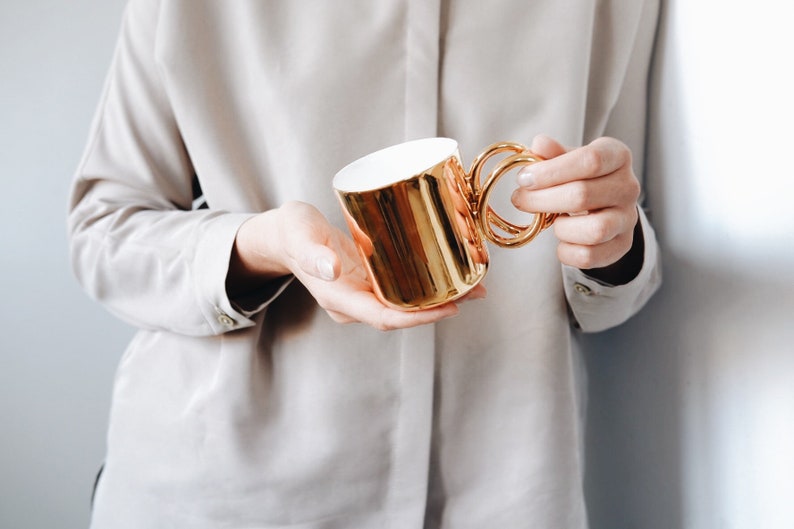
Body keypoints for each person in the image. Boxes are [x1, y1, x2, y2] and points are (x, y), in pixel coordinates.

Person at [69, 1, 662, 528]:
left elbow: (623, 263)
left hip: (508, 486)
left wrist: (615, 247)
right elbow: (105, 229)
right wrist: (260, 247)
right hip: (228, 494)